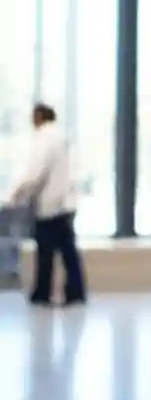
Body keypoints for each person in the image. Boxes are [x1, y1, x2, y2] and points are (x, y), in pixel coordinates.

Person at [7, 104, 85, 307]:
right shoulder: (62, 138)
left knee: (46, 252)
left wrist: (17, 192)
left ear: (39, 117)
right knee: (68, 251)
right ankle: (75, 292)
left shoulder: (45, 139)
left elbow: (36, 171)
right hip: (66, 202)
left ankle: (42, 293)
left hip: (51, 204)